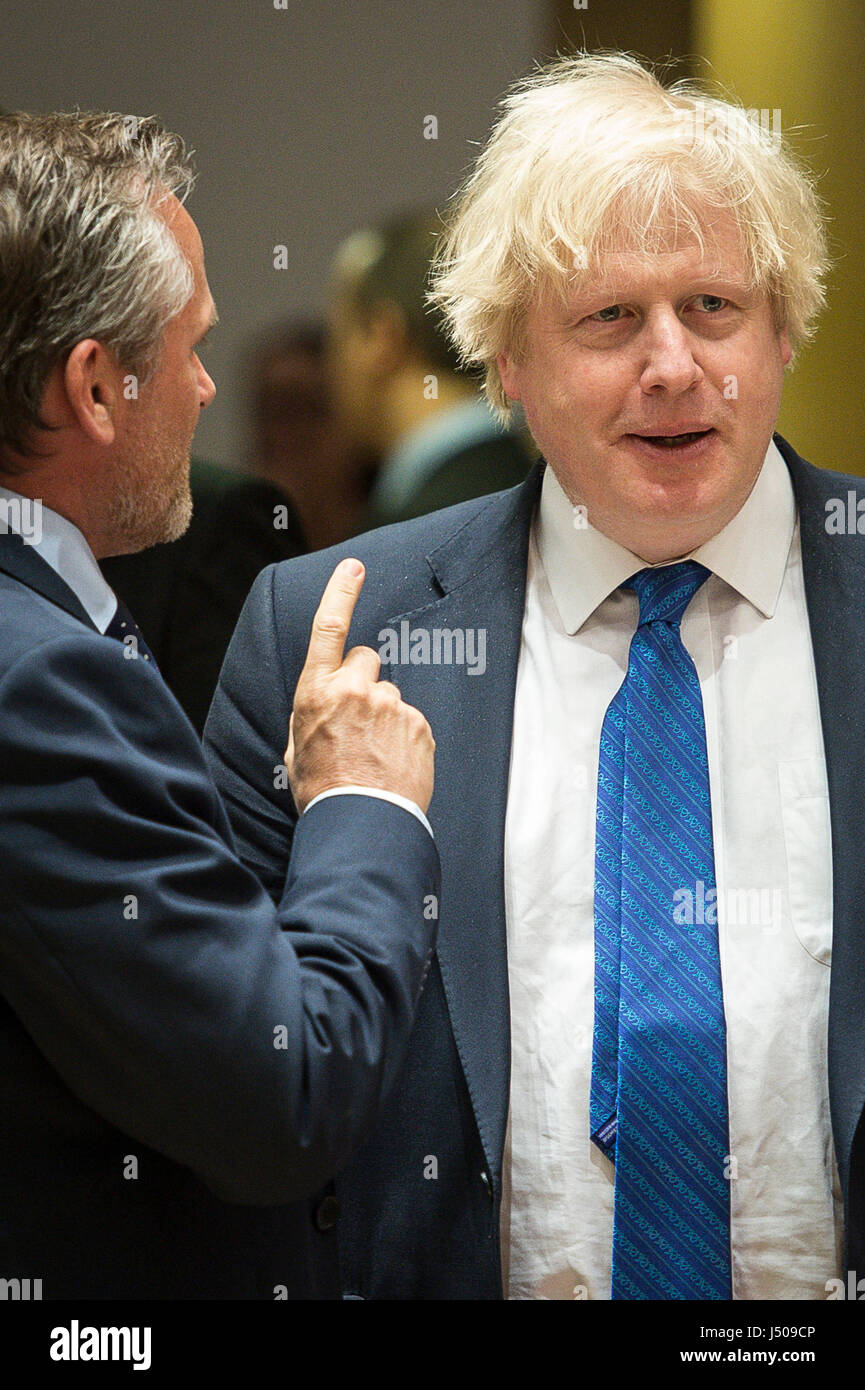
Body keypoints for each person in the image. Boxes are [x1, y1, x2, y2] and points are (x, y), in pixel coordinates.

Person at [205, 52, 863, 1302]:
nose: (671, 364)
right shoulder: (334, 633)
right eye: (609, 318)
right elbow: (230, 1079)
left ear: (785, 327)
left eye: (714, 307)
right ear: (504, 360)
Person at [0, 110, 439, 1300]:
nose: (203, 386)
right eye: (189, 343)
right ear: (96, 385)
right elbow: (281, 1092)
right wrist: (360, 800)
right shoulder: (39, 683)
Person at [326, 212, 531, 529]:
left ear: (383, 339)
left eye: (341, 334)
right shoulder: (538, 487)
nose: (331, 364)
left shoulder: (410, 528)